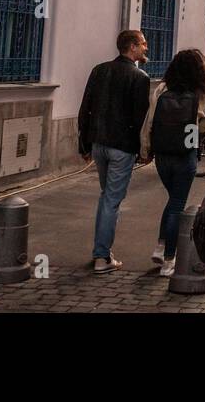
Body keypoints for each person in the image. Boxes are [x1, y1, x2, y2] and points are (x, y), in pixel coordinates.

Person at [78, 29, 152, 274]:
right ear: (131, 47)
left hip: (99, 143)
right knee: (111, 199)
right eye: (142, 44)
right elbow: (140, 117)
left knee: (106, 196)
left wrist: (84, 143)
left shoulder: (100, 70)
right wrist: (143, 150)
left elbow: (86, 107)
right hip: (122, 147)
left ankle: (101, 251)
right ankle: (102, 256)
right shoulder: (139, 77)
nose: (146, 48)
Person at [139, 48, 205, 277]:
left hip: (162, 154)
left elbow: (149, 121)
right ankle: (169, 259)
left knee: (173, 201)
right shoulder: (199, 93)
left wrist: (146, 149)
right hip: (185, 154)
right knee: (177, 205)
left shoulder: (162, 89)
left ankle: (161, 247)